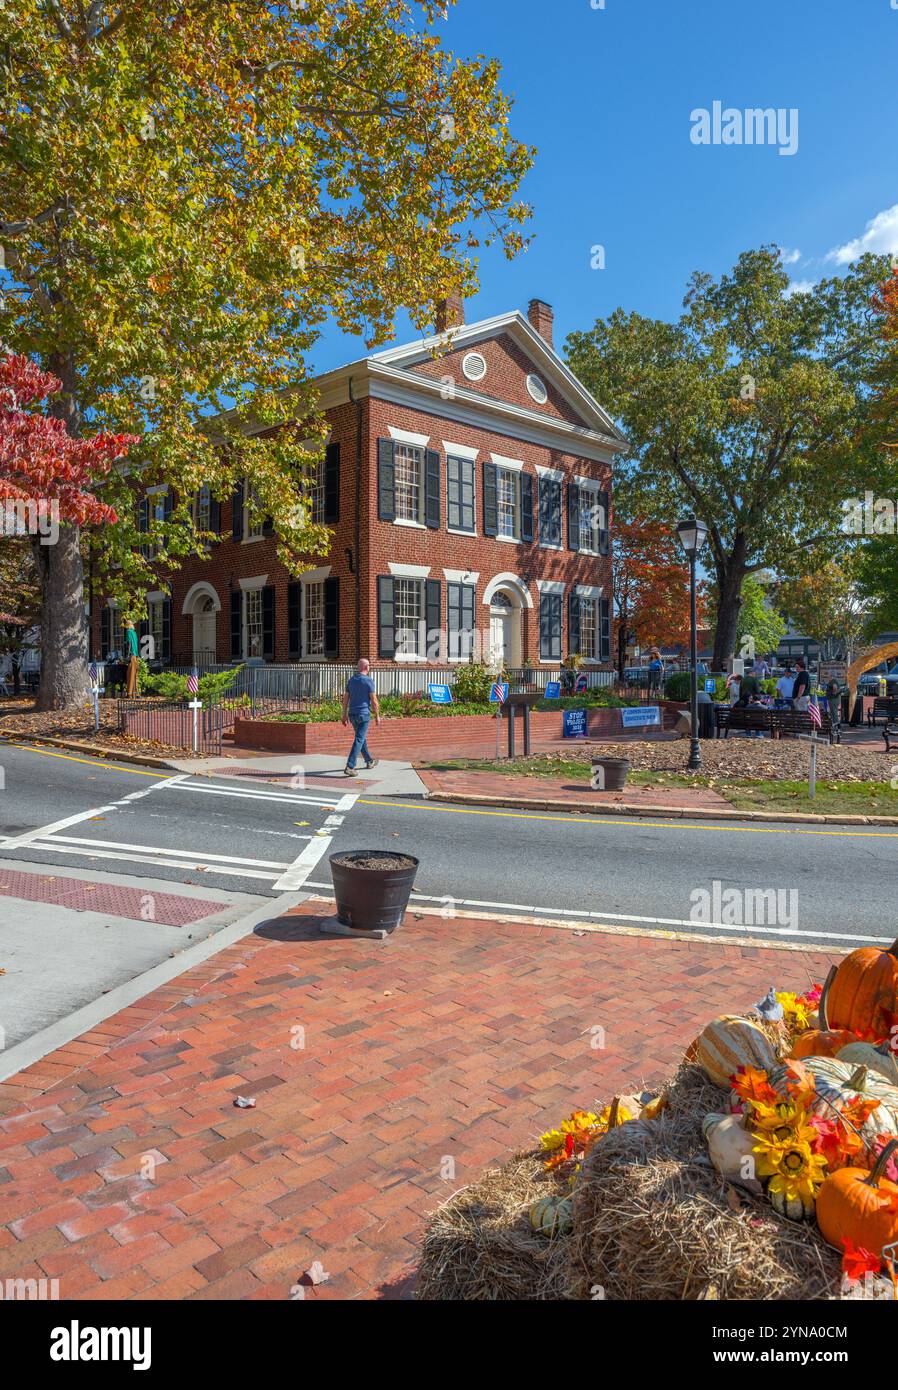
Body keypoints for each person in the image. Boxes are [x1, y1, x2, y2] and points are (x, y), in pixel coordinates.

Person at [341, 658, 381, 777]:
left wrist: (343, 714)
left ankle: (369, 761)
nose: (369, 668)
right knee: (359, 738)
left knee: (360, 737)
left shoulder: (351, 680)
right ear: (366, 667)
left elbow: (346, 699)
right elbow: (374, 701)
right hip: (363, 714)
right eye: (369, 665)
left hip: (352, 714)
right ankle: (350, 766)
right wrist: (377, 716)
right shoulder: (369, 681)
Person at [123, 620, 140, 697]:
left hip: (132, 655)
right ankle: (136, 693)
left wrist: (127, 654)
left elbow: (129, 643)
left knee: (130, 674)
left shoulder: (129, 632)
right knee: (135, 675)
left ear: (128, 626)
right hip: (136, 656)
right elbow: (137, 644)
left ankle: (129, 694)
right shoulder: (134, 633)